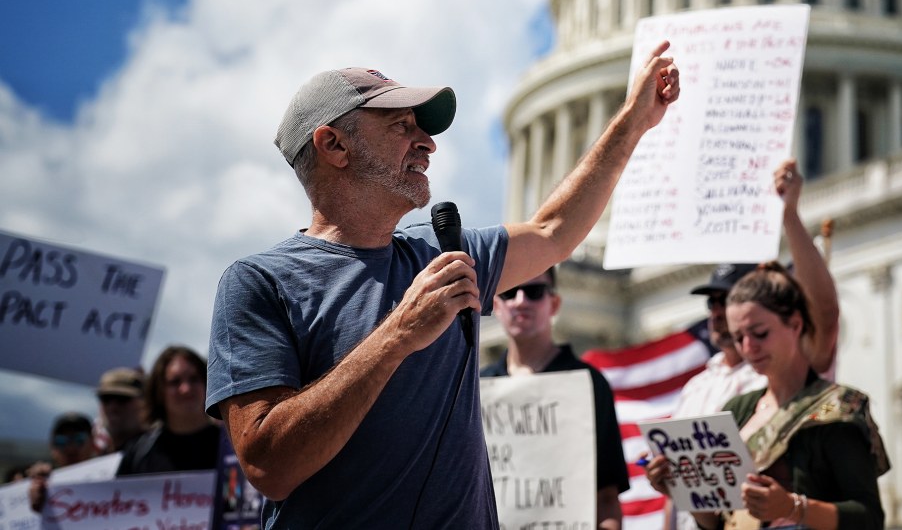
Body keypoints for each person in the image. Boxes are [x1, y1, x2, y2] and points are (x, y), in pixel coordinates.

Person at [206, 42, 680, 528]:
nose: (427, 142)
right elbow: (268, 465)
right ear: (334, 145)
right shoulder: (259, 283)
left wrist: (634, 120)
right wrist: (398, 335)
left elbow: (552, 233)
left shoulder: (440, 253)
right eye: (400, 126)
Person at [664, 158, 841, 530]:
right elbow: (692, 499)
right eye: (712, 302)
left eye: (726, 300)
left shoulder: (784, 366)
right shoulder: (698, 386)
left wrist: (789, 214)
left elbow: (824, 314)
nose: (717, 311)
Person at [646, 263, 887, 529]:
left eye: (760, 333)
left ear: (795, 324)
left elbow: (869, 518)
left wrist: (793, 508)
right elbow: (720, 523)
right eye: (738, 337)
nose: (749, 348)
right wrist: (684, 490)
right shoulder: (738, 408)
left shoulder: (834, 408)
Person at [481, 265, 629, 529]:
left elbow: (606, 494)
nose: (521, 301)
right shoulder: (476, 386)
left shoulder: (588, 382)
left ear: (554, 303)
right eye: (510, 291)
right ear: (495, 304)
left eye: (534, 291)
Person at [117, 346, 220, 476]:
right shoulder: (139, 452)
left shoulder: (231, 447)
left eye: (194, 379)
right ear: (159, 391)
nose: (186, 389)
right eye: (175, 382)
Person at [28, 412, 98, 513]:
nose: (70, 448)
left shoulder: (113, 477)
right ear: (52, 447)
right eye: (61, 441)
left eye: (79, 439)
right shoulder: (41, 482)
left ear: (92, 442)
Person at [94, 366, 147, 454]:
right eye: (106, 398)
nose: (112, 407)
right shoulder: (94, 460)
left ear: (144, 404)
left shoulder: (159, 454)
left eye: (122, 399)